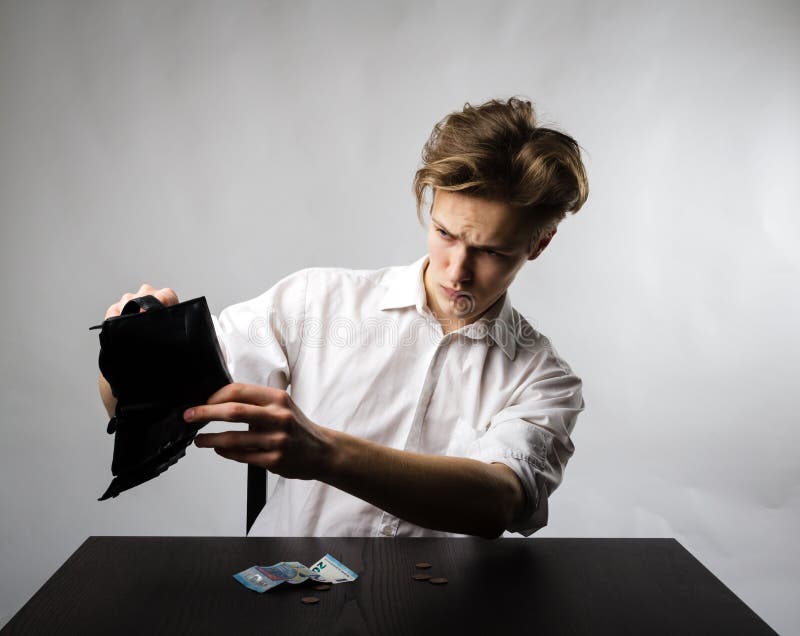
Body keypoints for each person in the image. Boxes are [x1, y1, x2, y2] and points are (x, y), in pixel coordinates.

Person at [99, 96, 589, 539]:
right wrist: (132, 351)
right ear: (429, 201)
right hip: (288, 608)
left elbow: (499, 502)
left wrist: (327, 455)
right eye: (444, 232)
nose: (457, 270)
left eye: (492, 252)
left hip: (445, 612)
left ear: (538, 243)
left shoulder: (545, 380)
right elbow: (145, 407)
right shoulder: (315, 301)